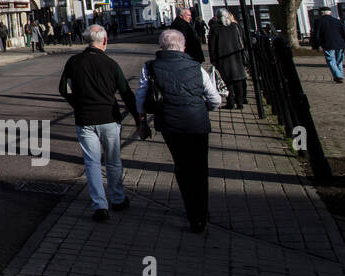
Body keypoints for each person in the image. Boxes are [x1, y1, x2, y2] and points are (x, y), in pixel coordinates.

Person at [137, 28, 223, 234]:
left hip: (170, 125)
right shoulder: (196, 67)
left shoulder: (150, 68)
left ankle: (192, 212)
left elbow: (140, 97)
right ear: (183, 46)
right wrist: (204, 109)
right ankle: (201, 212)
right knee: (200, 168)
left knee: (182, 166)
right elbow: (215, 99)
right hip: (197, 123)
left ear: (162, 46)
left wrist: (142, 122)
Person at [59, 24, 142, 221]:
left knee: (92, 163)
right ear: (104, 41)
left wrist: (77, 103)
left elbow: (64, 88)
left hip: (85, 118)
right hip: (109, 118)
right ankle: (118, 199)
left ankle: (99, 206)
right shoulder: (111, 64)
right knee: (113, 161)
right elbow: (126, 93)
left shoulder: (74, 62)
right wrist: (139, 118)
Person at [208, 11, 248, 108]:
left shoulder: (215, 29)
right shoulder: (234, 27)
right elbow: (241, 41)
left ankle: (230, 102)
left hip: (223, 57)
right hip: (236, 56)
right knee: (238, 79)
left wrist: (213, 59)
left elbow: (212, 46)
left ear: (217, 18)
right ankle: (240, 102)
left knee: (227, 80)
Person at [311, 6, 345, 83]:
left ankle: (338, 76)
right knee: (339, 61)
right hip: (340, 44)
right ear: (330, 13)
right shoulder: (337, 21)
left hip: (327, 44)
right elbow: (344, 34)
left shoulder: (318, 21)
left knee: (331, 60)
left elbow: (316, 35)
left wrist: (316, 45)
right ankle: (339, 75)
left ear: (321, 13)